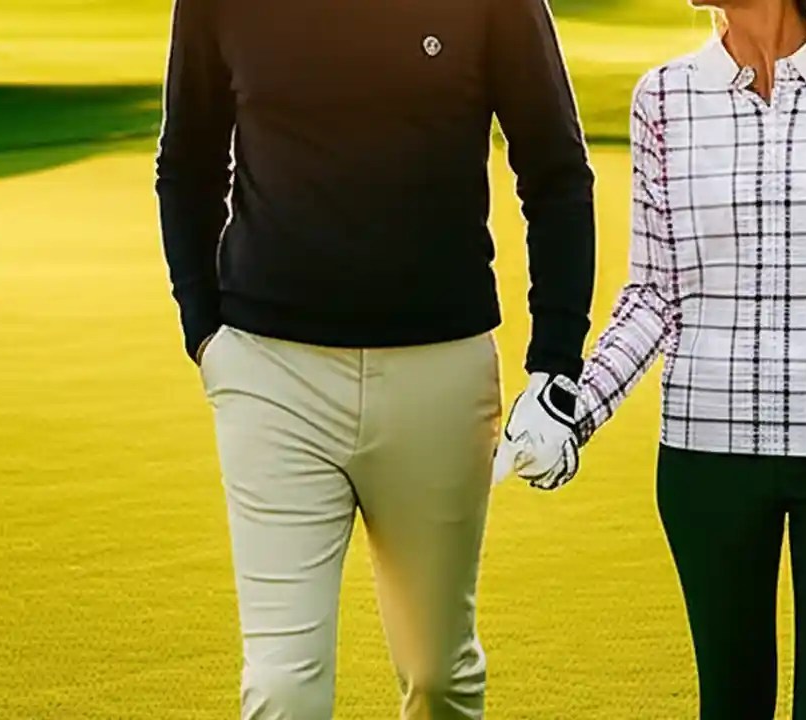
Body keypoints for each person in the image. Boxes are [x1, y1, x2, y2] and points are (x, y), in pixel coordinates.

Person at [497, 0, 806, 717]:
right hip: (708, 461)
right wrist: (573, 411)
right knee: (730, 706)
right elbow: (655, 295)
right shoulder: (662, 96)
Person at [153, 0, 595, 716]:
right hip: (271, 375)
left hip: (441, 374)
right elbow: (187, 166)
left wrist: (554, 363)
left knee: (438, 675)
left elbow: (556, 172)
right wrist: (205, 331)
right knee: (281, 685)